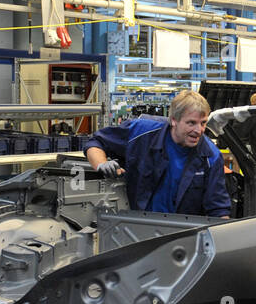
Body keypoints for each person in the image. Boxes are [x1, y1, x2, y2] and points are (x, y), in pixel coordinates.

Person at [83, 89, 230, 217]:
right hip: (137, 227)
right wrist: (101, 163)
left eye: (203, 123)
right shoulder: (141, 132)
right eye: (191, 123)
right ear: (173, 120)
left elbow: (218, 210)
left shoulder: (211, 156)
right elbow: (96, 142)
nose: (199, 130)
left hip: (184, 235)